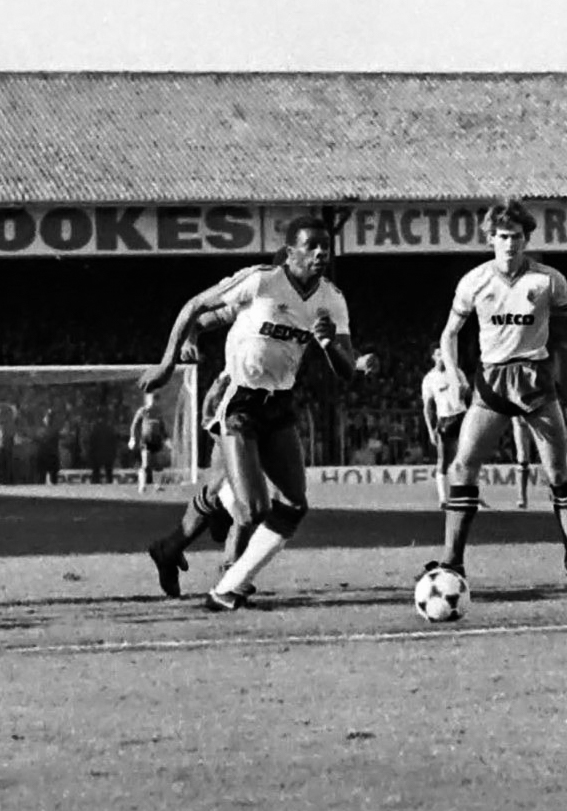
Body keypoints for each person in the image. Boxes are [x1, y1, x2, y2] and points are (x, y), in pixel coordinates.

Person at [140, 216, 377, 611]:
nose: (321, 254)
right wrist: (169, 363)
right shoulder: (260, 283)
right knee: (250, 507)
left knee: (268, 500)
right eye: (312, 247)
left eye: (326, 248)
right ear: (289, 253)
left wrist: (328, 344)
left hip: (278, 404)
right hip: (235, 400)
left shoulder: (331, 300)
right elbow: (199, 311)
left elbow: (347, 370)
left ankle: (180, 552)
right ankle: (230, 569)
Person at [431, 199, 567, 581]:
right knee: (462, 466)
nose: (510, 244)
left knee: (557, 470)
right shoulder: (474, 281)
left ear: (526, 239)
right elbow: (449, 334)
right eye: (502, 236)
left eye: (517, 236)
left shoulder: (547, 280)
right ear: (490, 239)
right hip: (492, 381)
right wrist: (453, 374)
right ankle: (452, 561)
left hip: (534, 380)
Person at [420, 344, 467, 508]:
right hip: (444, 420)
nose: (442, 357)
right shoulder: (429, 379)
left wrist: (461, 390)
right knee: (443, 460)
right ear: (433, 357)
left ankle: (468, 496)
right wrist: (430, 429)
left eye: (444, 353)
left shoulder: (456, 372)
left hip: (461, 416)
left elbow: (467, 392)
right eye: (438, 354)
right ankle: (443, 499)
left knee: (466, 458)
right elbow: (427, 407)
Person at [129, 391, 169, 493]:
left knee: (158, 464)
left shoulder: (158, 413)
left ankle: (157, 486)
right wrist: (133, 438)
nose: (153, 402)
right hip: (146, 442)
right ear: (147, 400)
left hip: (156, 442)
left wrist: (167, 440)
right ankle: (142, 486)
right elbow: (134, 425)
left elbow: (162, 428)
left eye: (155, 399)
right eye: (151, 399)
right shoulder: (142, 411)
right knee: (146, 465)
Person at [512, 416, 537, 508]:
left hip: (540, 418)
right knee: (522, 460)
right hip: (520, 421)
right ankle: (522, 497)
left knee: (549, 459)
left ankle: (554, 492)